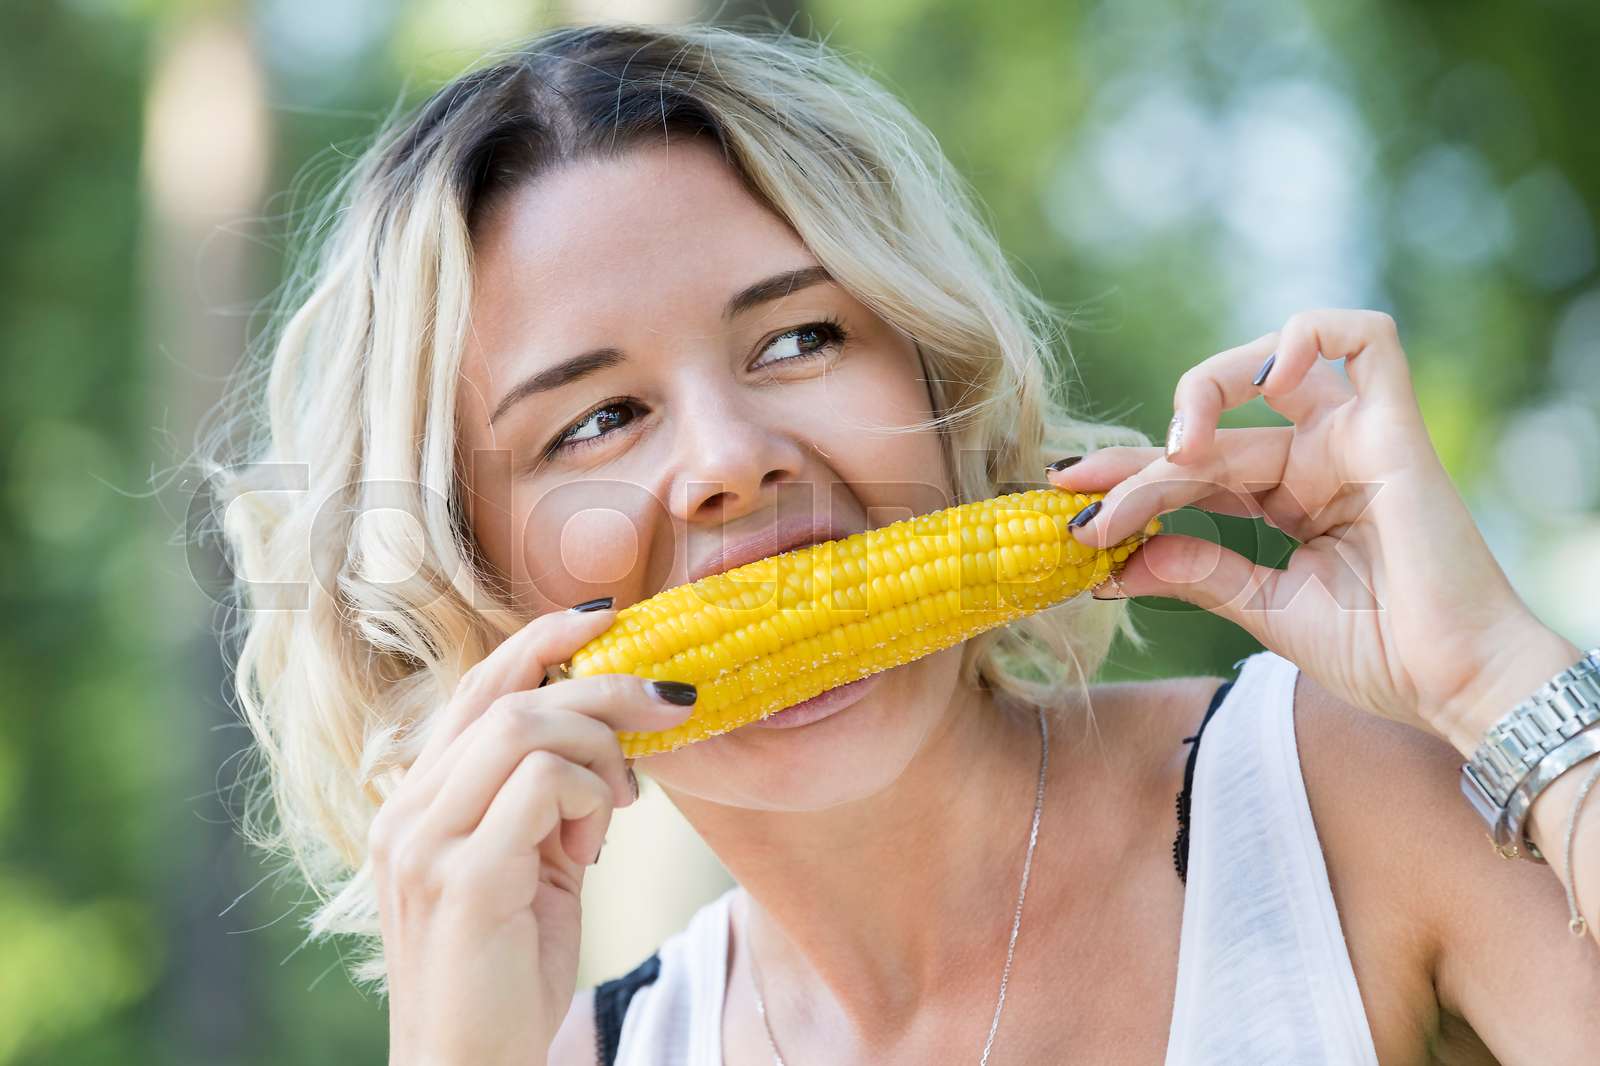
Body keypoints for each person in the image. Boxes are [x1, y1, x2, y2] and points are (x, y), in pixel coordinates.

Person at [200, 21, 1600, 1065]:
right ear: (478, 577)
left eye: (801, 337)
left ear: (938, 386)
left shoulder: (1336, 792)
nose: (731, 457)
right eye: (597, 420)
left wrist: (1500, 684)